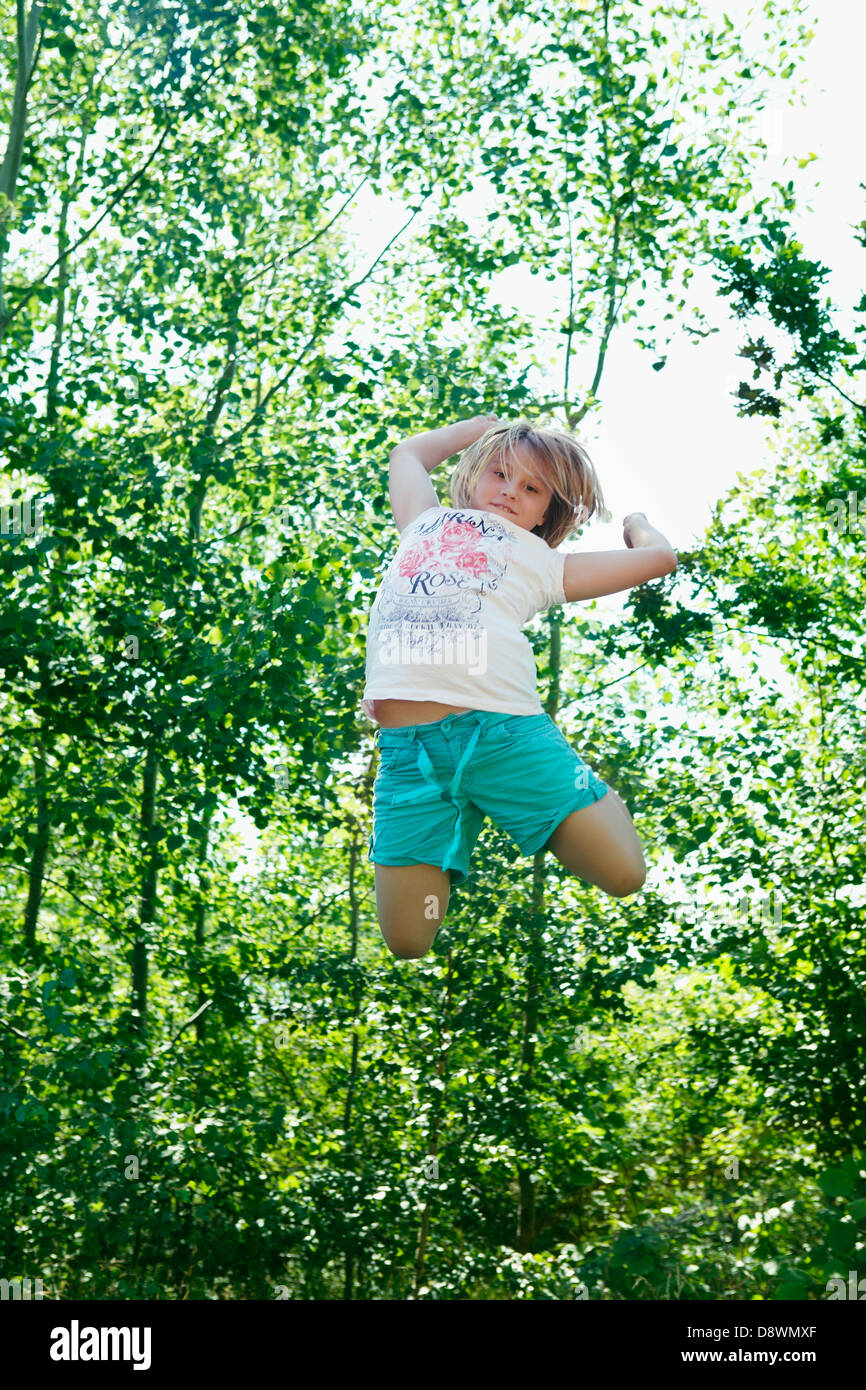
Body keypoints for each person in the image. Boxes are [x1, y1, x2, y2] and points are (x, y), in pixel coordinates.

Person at [362, 414, 678, 959]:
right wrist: (483, 428)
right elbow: (408, 455)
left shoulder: (545, 563)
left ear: (544, 513)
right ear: (474, 476)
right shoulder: (423, 520)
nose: (510, 492)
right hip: (409, 756)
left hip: (503, 735)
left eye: (531, 488)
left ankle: (566, 791)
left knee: (625, 874)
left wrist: (636, 522)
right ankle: (461, 812)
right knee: (410, 939)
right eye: (499, 474)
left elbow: (659, 560)